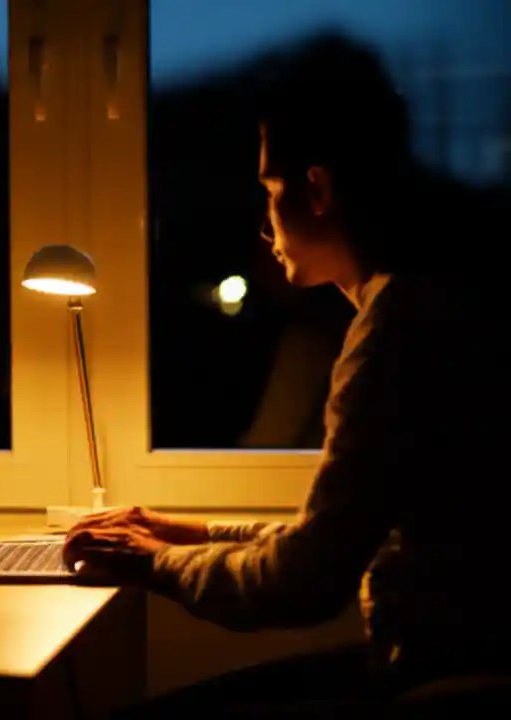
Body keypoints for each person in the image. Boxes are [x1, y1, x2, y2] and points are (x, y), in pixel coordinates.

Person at [64, 35, 511, 715]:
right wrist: (186, 531)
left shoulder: (394, 330)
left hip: (437, 674)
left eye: (271, 189)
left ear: (318, 189)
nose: (266, 219)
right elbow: (331, 535)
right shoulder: (420, 301)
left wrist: (148, 563)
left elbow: (307, 581)